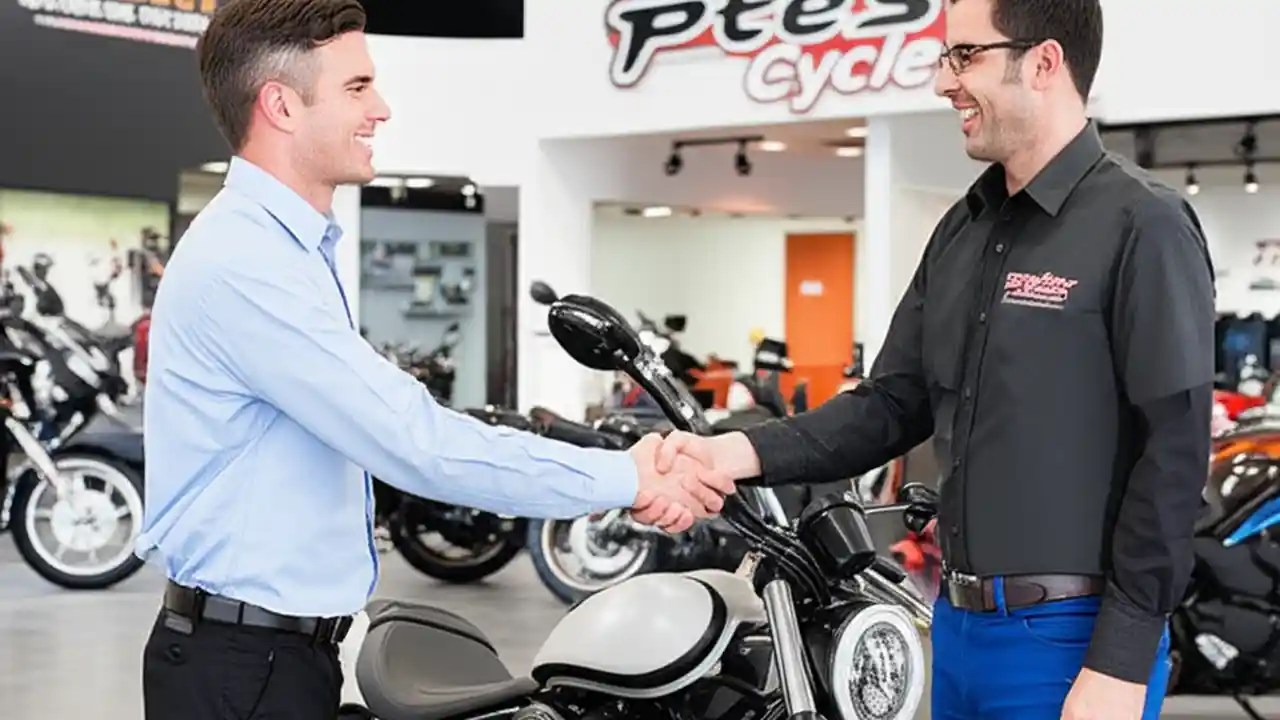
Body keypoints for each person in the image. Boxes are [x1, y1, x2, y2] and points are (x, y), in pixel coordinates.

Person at [134, 2, 733, 718]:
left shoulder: (283, 251)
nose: (380, 108)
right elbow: (416, 444)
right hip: (242, 669)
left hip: (277, 656)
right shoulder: (246, 263)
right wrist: (625, 474)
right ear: (281, 105)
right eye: (357, 87)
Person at [654, 0, 1215, 718]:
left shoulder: (1145, 224)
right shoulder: (963, 230)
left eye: (965, 56)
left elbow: (1174, 454)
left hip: (1071, 641)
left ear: (1044, 62)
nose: (944, 82)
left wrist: (1122, 660)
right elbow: (889, 405)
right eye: (945, 57)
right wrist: (726, 453)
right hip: (954, 629)